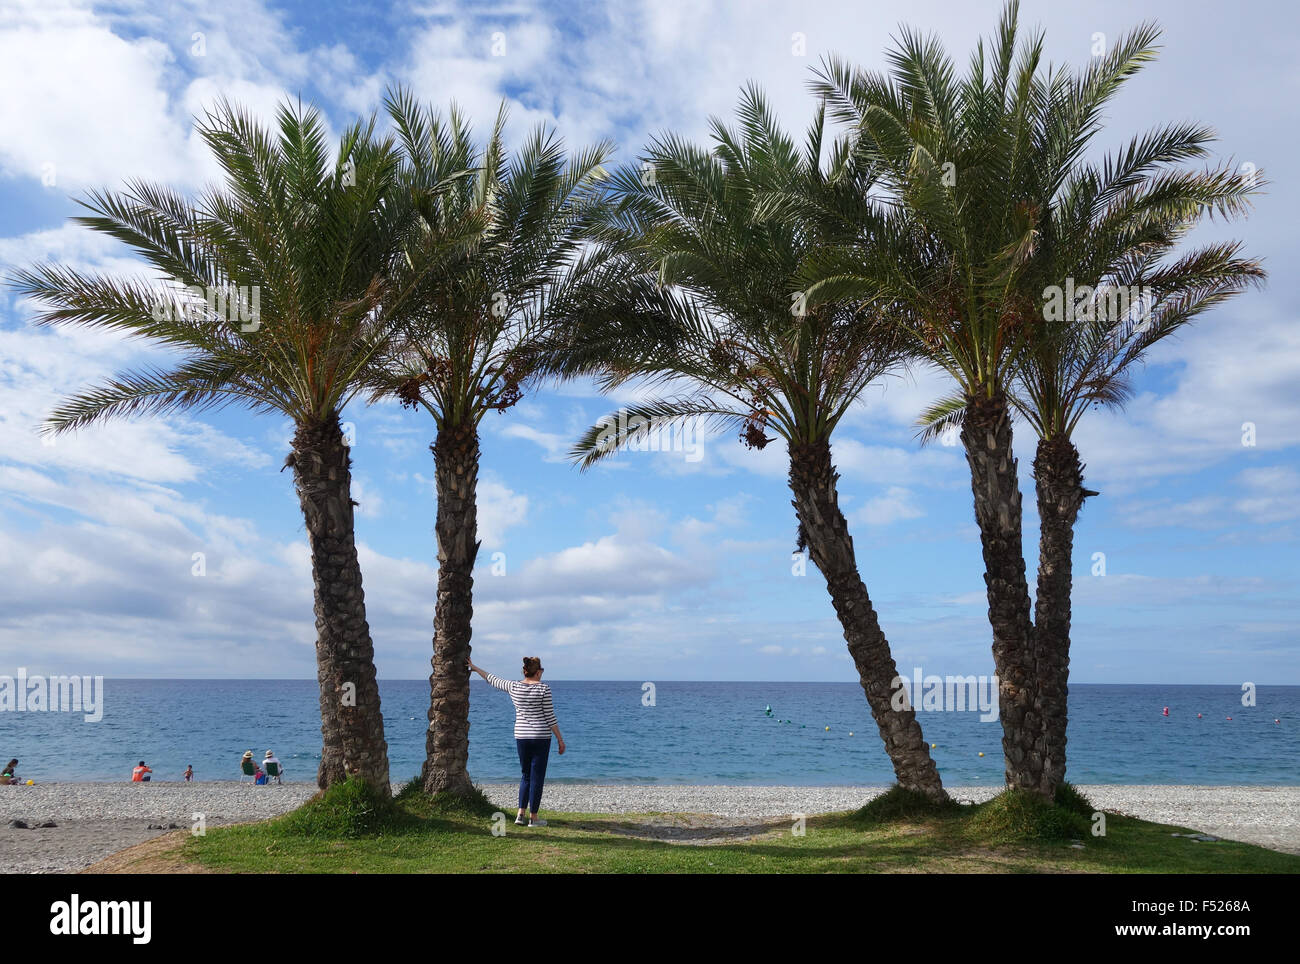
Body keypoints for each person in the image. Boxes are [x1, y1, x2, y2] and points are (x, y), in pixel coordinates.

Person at [467, 656, 565, 827]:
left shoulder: (514, 686)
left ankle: (520, 815)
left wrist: (474, 667)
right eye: (541, 670)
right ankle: (533, 818)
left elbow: (492, 679)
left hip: (521, 736)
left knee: (526, 775)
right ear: (538, 672)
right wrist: (560, 739)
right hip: (541, 737)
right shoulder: (544, 689)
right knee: (537, 777)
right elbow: (550, 717)